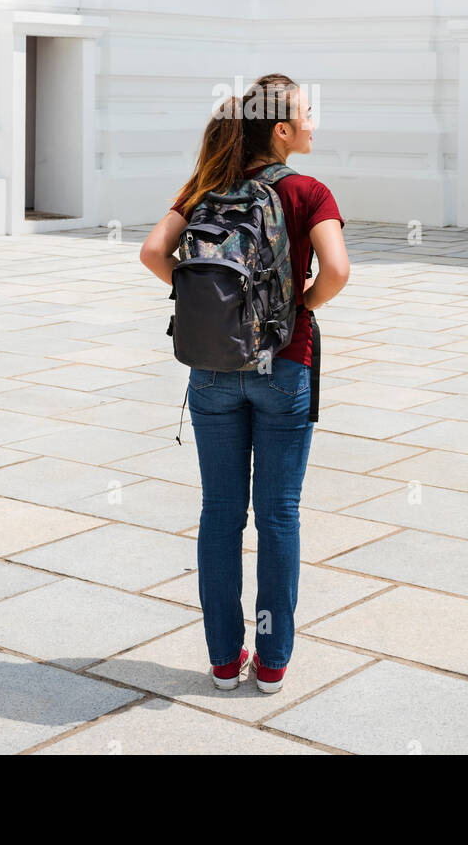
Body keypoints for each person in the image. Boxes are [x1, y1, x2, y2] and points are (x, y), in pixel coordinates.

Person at [139, 73, 350, 693]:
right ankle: (274, 661)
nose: (314, 123)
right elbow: (336, 271)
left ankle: (224, 661)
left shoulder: (206, 185)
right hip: (286, 366)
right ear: (281, 129)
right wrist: (296, 306)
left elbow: (154, 253)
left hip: (213, 369)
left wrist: (216, 309)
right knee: (280, 515)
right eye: (309, 114)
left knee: (220, 513)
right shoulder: (309, 191)